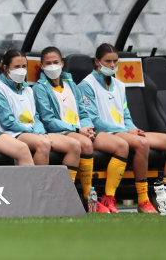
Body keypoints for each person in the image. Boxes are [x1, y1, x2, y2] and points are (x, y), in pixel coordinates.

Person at [79, 43, 166, 213]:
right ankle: (142, 200)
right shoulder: (86, 85)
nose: (112, 65)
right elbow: (93, 120)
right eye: (108, 61)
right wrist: (125, 130)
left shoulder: (120, 85)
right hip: (105, 133)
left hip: (123, 131)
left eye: (115, 61)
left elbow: (126, 115)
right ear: (97, 62)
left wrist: (133, 129)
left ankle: (165, 199)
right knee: (142, 144)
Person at [32, 47, 109, 213]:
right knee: (85, 144)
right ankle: (77, 196)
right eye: (48, 63)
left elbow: (83, 111)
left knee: (88, 142)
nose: (52, 66)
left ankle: (88, 198)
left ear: (62, 63)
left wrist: (87, 126)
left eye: (55, 62)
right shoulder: (40, 88)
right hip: (58, 131)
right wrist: (77, 128)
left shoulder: (71, 84)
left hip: (78, 129)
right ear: (42, 67)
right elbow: (48, 120)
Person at [0, 50, 42, 167]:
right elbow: (7, 121)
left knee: (45, 142)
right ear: (6, 68)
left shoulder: (28, 89)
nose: (21, 70)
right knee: (42, 143)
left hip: (28, 131)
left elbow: (35, 116)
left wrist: (39, 131)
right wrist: (31, 130)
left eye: (24, 66)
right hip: (9, 132)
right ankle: (35, 184)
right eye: (16, 66)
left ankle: (43, 183)